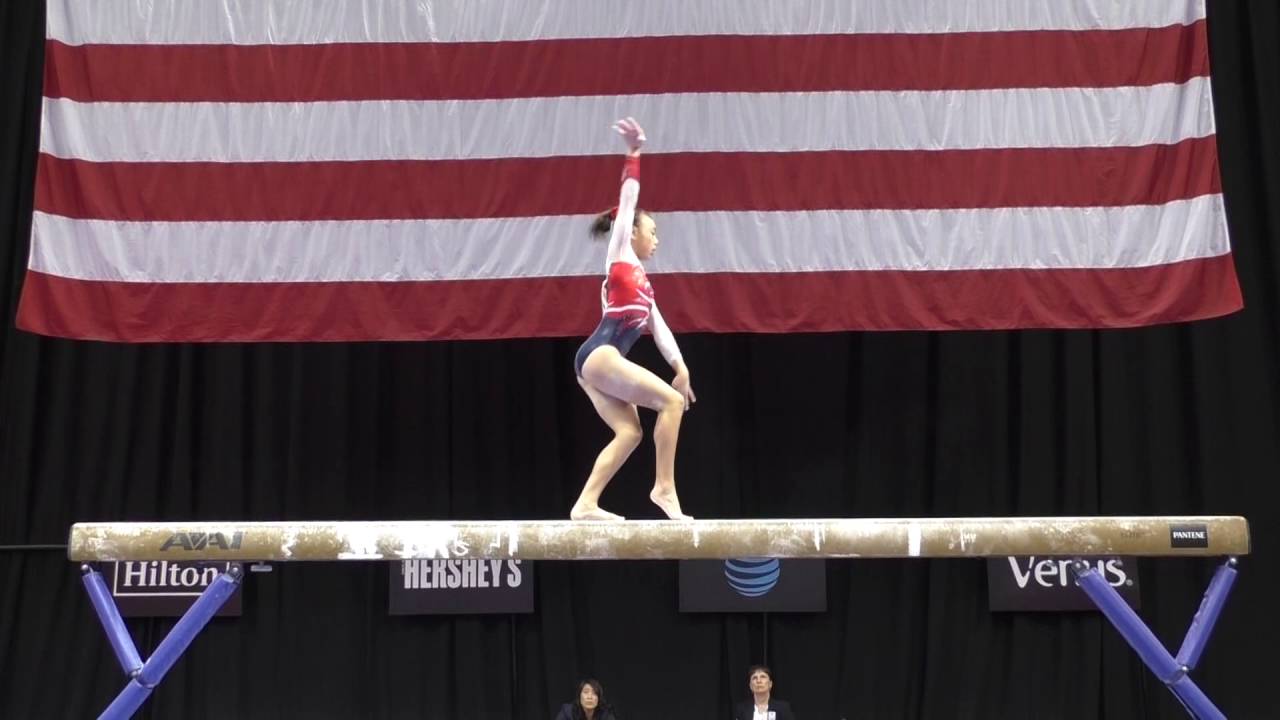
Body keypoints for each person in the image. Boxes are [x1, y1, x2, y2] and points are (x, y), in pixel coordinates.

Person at [570, 117, 696, 522]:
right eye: (652, 231)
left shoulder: (645, 287)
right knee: (671, 404)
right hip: (601, 355)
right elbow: (628, 200)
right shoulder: (619, 255)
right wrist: (634, 154)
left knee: (630, 432)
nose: (656, 238)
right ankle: (663, 488)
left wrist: (681, 367)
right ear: (634, 232)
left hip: (589, 365)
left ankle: (585, 504)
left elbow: (660, 332)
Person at [555, 678, 619, 720]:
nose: (589, 697)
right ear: (579, 696)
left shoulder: (606, 713)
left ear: (599, 698)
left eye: (594, 693)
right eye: (586, 692)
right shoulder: (567, 711)